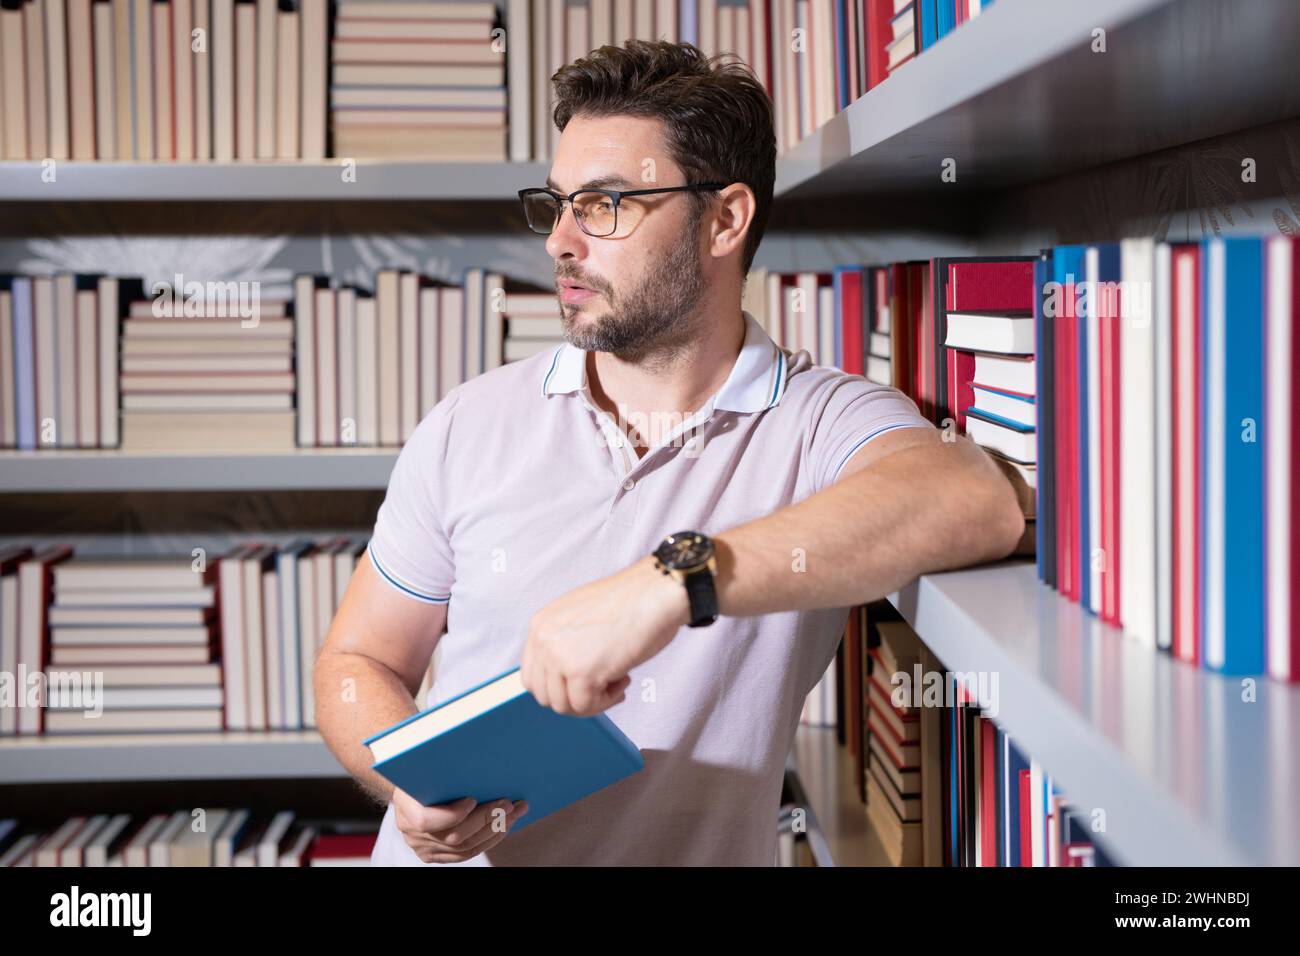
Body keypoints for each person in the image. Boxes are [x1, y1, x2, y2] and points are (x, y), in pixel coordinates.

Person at [315, 40, 1024, 866]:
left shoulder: (816, 418)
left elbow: (976, 499)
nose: (562, 243)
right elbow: (356, 660)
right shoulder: (469, 422)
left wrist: (672, 581)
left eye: (607, 204)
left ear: (725, 219)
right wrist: (402, 777)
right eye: (559, 205)